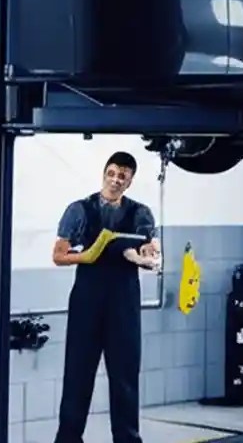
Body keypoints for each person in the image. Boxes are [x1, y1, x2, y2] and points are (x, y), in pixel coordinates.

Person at [52, 151, 160, 443]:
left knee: (125, 376)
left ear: (130, 181)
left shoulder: (141, 213)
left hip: (124, 302)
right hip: (87, 300)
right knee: (78, 374)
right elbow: (58, 255)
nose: (115, 180)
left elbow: (150, 249)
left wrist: (145, 258)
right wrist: (87, 256)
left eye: (122, 176)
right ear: (104, 174)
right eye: (111, 173)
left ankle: (127, 439)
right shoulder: (79, 210)